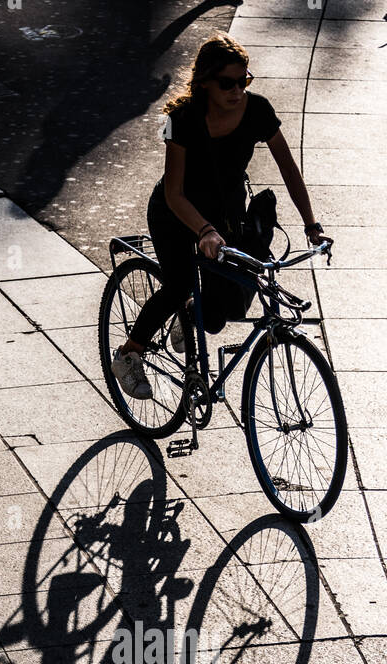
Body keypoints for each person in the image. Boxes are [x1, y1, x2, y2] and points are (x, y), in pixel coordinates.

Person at [112, 31, 328, 399]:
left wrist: (312, 225)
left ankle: (187, 314)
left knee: (218, 312)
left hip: (224, 215)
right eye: (227, 83)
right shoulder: (183, 120)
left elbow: (289, 170)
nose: (237, 90)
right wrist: (204, 230)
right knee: (179, 285)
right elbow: (174, 192)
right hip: (176, 215)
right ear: (206, 83)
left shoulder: (258, 111)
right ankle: (129, 355)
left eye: (244, 81)